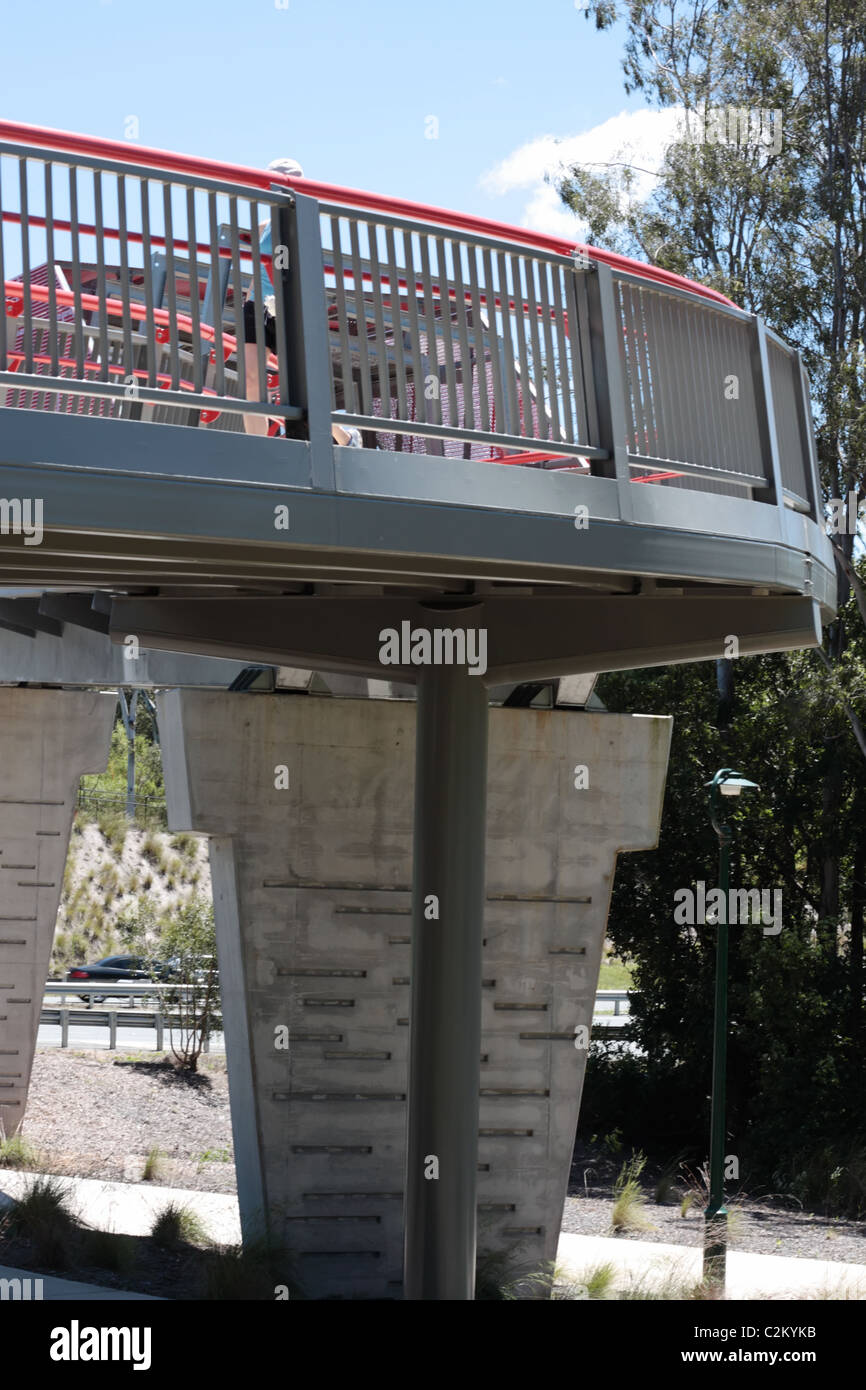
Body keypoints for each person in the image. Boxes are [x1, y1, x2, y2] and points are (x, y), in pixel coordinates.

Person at [242, 158, 361, 447]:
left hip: (288, 305)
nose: (275, 188)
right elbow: (260, 266)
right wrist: (248, 297)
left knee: (301, 385)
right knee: (251, 379)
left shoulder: (304, 218)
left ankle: (344, 436)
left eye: (282, 183)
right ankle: (258, 449)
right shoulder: (263, 225)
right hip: (258, 303)